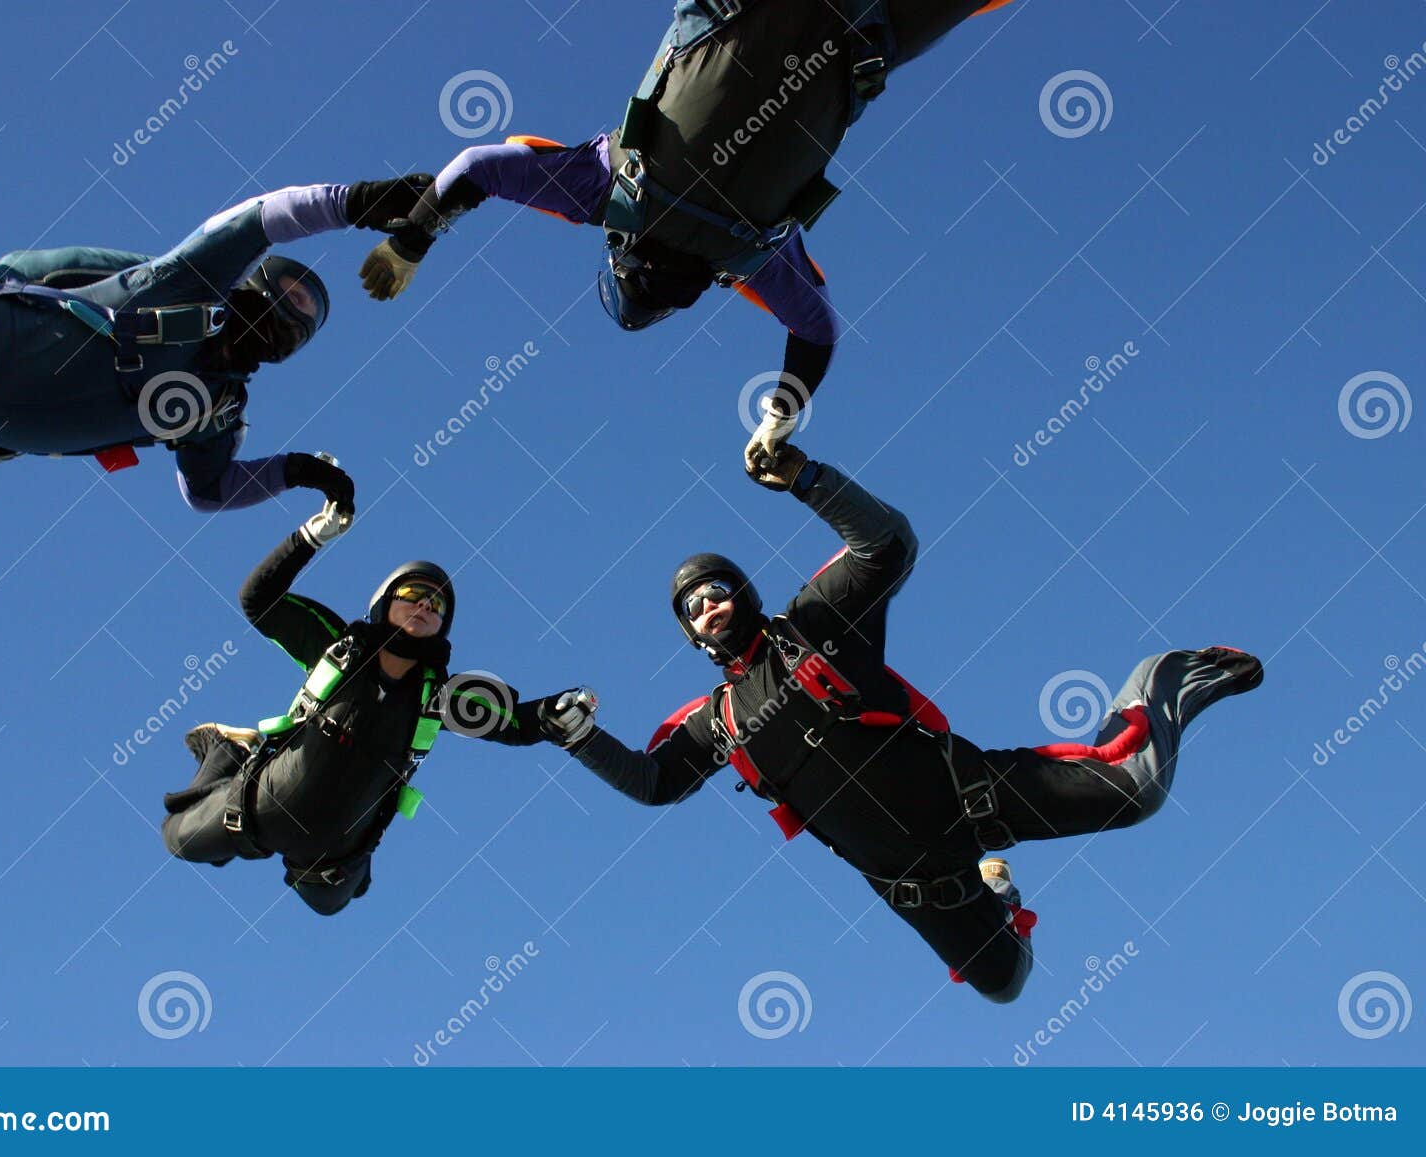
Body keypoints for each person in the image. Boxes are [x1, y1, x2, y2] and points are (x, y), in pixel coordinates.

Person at [534, 444, 1264, 1002]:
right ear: (691, 637)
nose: (709, 607)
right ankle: (998, 896)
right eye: (693, 608)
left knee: (1136, 790)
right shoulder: (713, 721)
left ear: (744, 593)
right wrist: (575, 735)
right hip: (919, 881)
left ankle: (1170, 673)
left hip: (971, 794)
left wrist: (804, 476)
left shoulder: (815, 622)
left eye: (718, 590)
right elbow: (653, 782)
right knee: (1003, 984)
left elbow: (887, 544)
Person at [360, 1, 1015, 477]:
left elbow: (817, 333)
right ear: (618, 258)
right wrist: (412, 242)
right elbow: (477, 169)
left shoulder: (745, 250)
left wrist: (777, 418)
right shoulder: (618, 194)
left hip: (877, 26)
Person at [0, 174, 432, 523]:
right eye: (294, 292)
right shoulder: (188, 288)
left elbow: (209, 492)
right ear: (257, 281)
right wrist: (360, 201)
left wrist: (295, 472)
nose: (297, 312)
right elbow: (259, 218)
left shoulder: (216, 410)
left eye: (310, 316)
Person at [160, 496, 572, 915]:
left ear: (442, 627)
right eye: (412, 594)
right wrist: (309, 537)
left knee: (333, 904)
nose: (425, 605)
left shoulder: (440, 696)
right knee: (177, 839)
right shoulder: (337, 648)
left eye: (437, 605)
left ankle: (349, 862)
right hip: (263, 806)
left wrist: (559, 712)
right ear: (383, 604)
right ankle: (226, 752)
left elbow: (518, 725)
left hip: (335, 853)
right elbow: (258, 599)